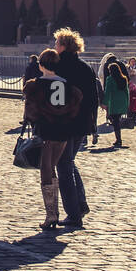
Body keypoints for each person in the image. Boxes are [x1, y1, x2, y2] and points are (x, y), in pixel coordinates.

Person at [23, 49, 84, 230]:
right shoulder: (67, 85)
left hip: (45, 132)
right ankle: (54, 213)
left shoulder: (35, 85)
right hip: (63, 132)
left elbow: (31, 112)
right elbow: (75, 108)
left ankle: (51, 215)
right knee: (53, 168)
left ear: (41, 65)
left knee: (46, 171)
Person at [52, 28, 96, 227]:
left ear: (63, 46)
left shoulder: (59, 68)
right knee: (69, 162)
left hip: (64, 123)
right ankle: (81, 204)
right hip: (82, 123)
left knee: (63, 166)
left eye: (56, 43)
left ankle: (73, 214)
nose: (54, 46)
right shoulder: (86, 67)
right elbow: (93, 99)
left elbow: (56, 99)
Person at [102, 61, 131, 147]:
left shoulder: (110, 79)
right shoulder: (124, 78)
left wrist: (104, 103)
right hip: (122, 101)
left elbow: (107, 92)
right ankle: (118, 139)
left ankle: (118, 139)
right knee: (117, 119)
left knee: (115, 121)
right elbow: (127, 91)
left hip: (114, 102)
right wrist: (127, 103)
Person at [124, 57, 136, 128]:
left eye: (134, 62)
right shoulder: (126, 69)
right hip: (129, 88)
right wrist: (130, 74)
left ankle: (134, 115)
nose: (133, 63)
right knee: (129, 102)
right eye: (131, 62)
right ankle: (130, 116)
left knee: (135, 103)